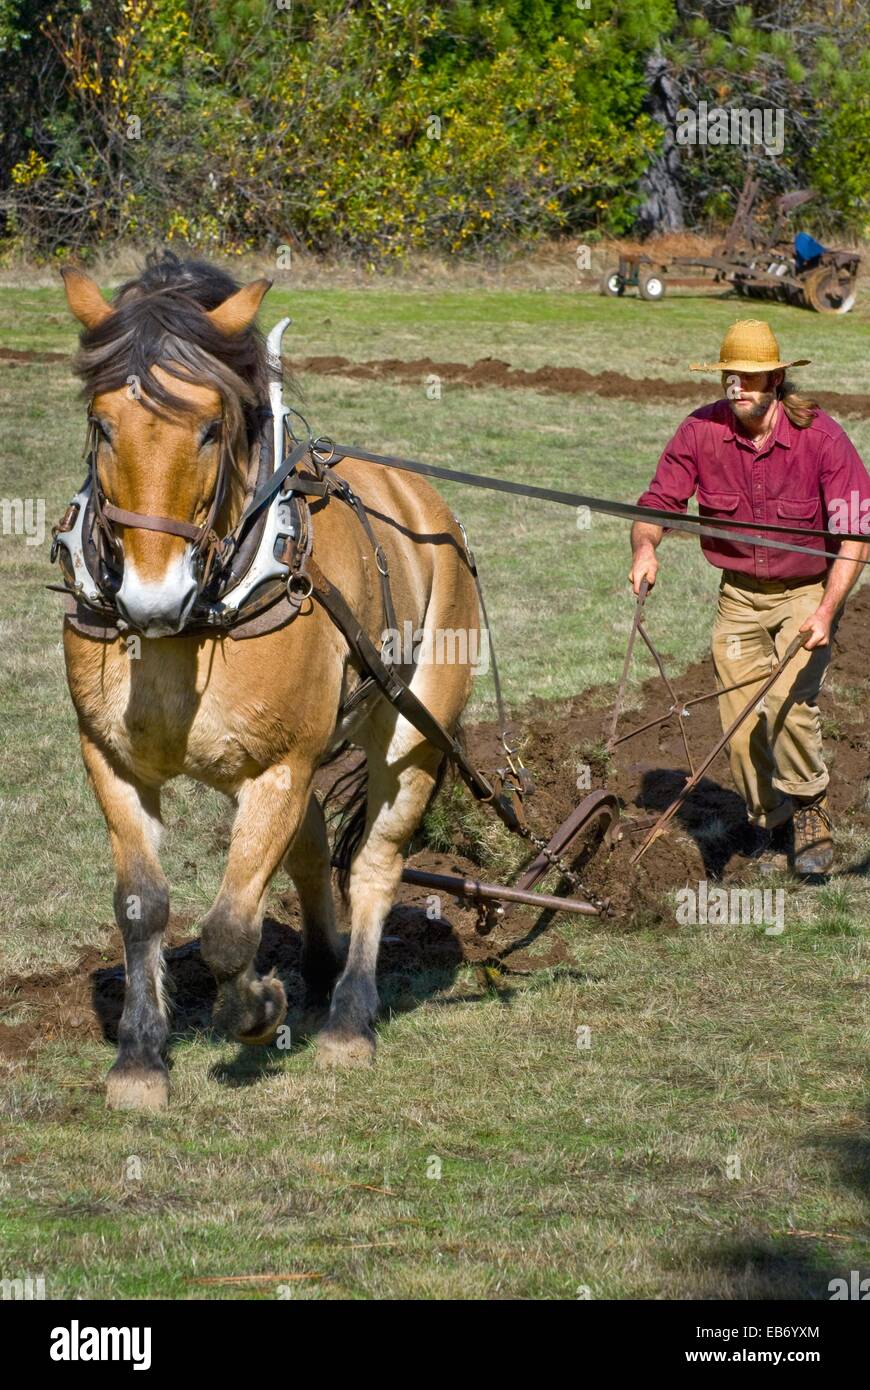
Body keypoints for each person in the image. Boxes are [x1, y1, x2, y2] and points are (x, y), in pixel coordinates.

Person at [629, 319, 870, 874]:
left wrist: (828, 610)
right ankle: (774, 818)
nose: (738, 387)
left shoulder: (823, 439)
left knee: (787, 705)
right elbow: (657, 503)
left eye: (752, 377)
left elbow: (855, 532)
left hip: (806, 592)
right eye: (730, 376)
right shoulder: (699, 432)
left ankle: (811, 807)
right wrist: (646, 548)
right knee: (738, 729)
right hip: (739, 596)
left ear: (778, 378)